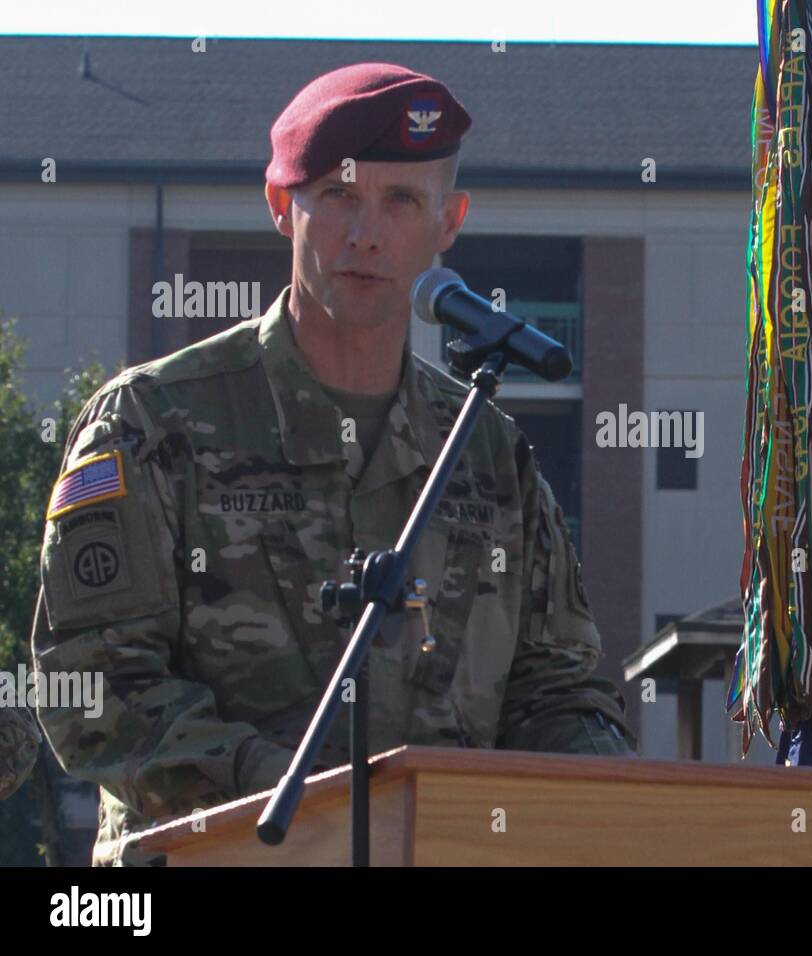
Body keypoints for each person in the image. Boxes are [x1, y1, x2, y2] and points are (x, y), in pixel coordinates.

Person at [31, 62, 634, 867]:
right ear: (283, 207)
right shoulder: (151, 423)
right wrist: (301, 799)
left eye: (401, 201)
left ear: (447, 223)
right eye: (340, 196)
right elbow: (91, 686)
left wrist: (608, 803)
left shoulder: (489, 452)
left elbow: (561, 690)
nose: (367, 235)